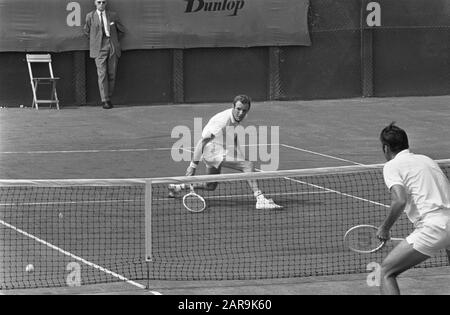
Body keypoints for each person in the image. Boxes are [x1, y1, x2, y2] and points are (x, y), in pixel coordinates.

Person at [169, 95, 282, 210]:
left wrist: (239, 154)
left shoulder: (238, 117)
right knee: (248, 165)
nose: (241, 113)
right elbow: (201, 143)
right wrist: (192, 167)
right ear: (232, 106)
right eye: (238, 109)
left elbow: (233, 135)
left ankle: (178, 187)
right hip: (211, 150)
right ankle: (260, 199)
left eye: (244, 110)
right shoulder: (222, 121)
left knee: (211, 185)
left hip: (217, 149)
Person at [377, 122, 450, 295]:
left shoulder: (391, 166)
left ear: (386, 148)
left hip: (434, 227)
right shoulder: (428, 160)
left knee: (386, 272)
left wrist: (385, 228)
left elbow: (399, 201)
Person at [83, 0, 125, 109]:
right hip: (99, 47)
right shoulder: (90, 16)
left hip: (111, 45)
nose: (101, 4)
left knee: (112, 73)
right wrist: (95, 41)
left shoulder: (113, 15)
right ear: (95, 3)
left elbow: (121, 31)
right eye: (99, 2)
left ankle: (109, 96)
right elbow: (86, 31)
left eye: (103, 2)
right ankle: (105, 100)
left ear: (106, 4)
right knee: (102, 74)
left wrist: (114, 41)